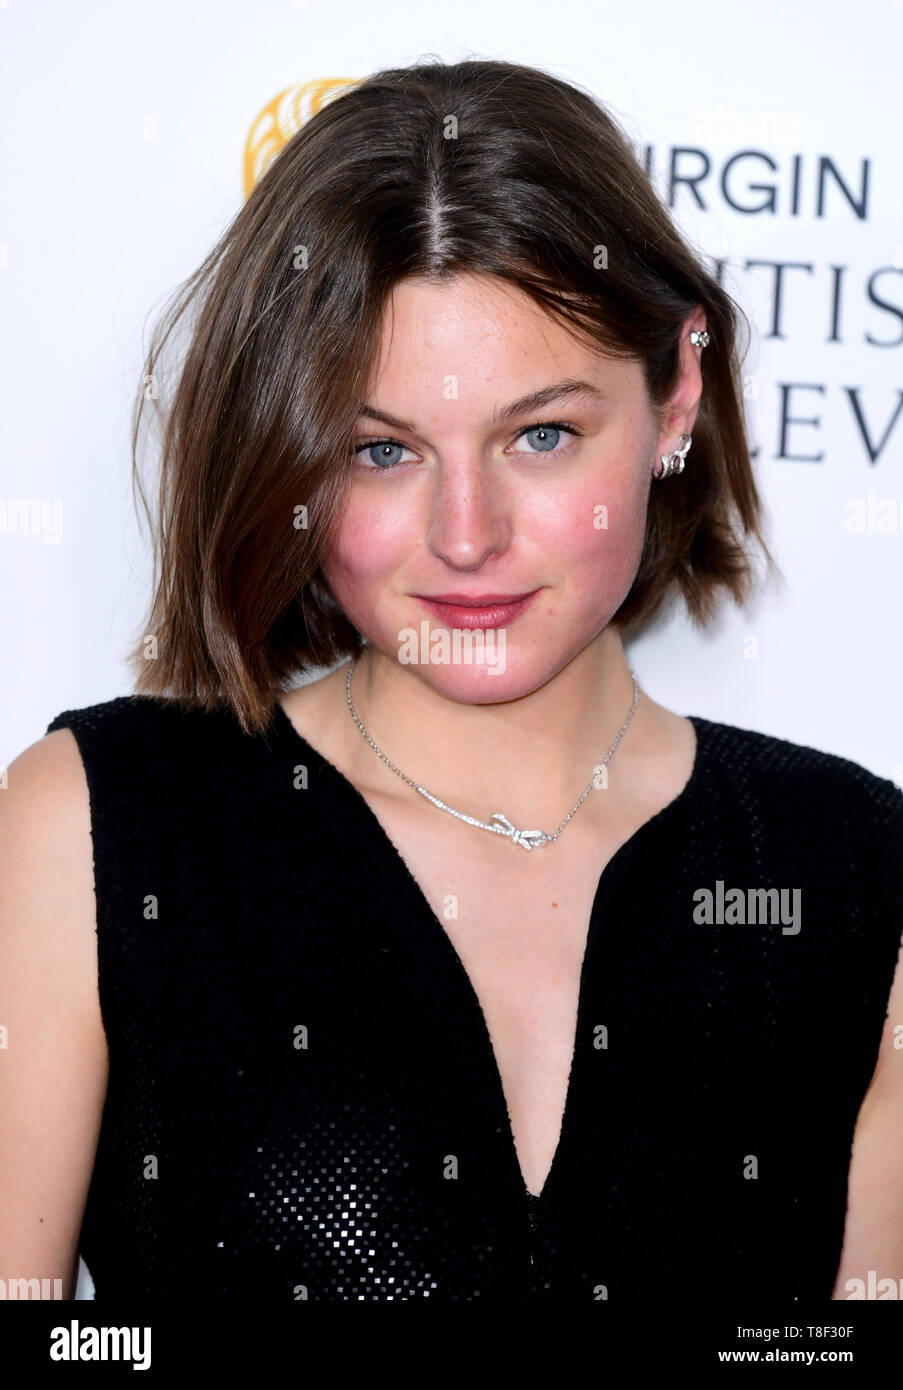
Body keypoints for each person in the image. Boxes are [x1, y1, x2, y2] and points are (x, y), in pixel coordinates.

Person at [2, 57, 901, 1304]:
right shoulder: (98, 832)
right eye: (383, 450)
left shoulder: (849, 870)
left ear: (678, 391)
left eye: (542, 435)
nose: (466, 536)